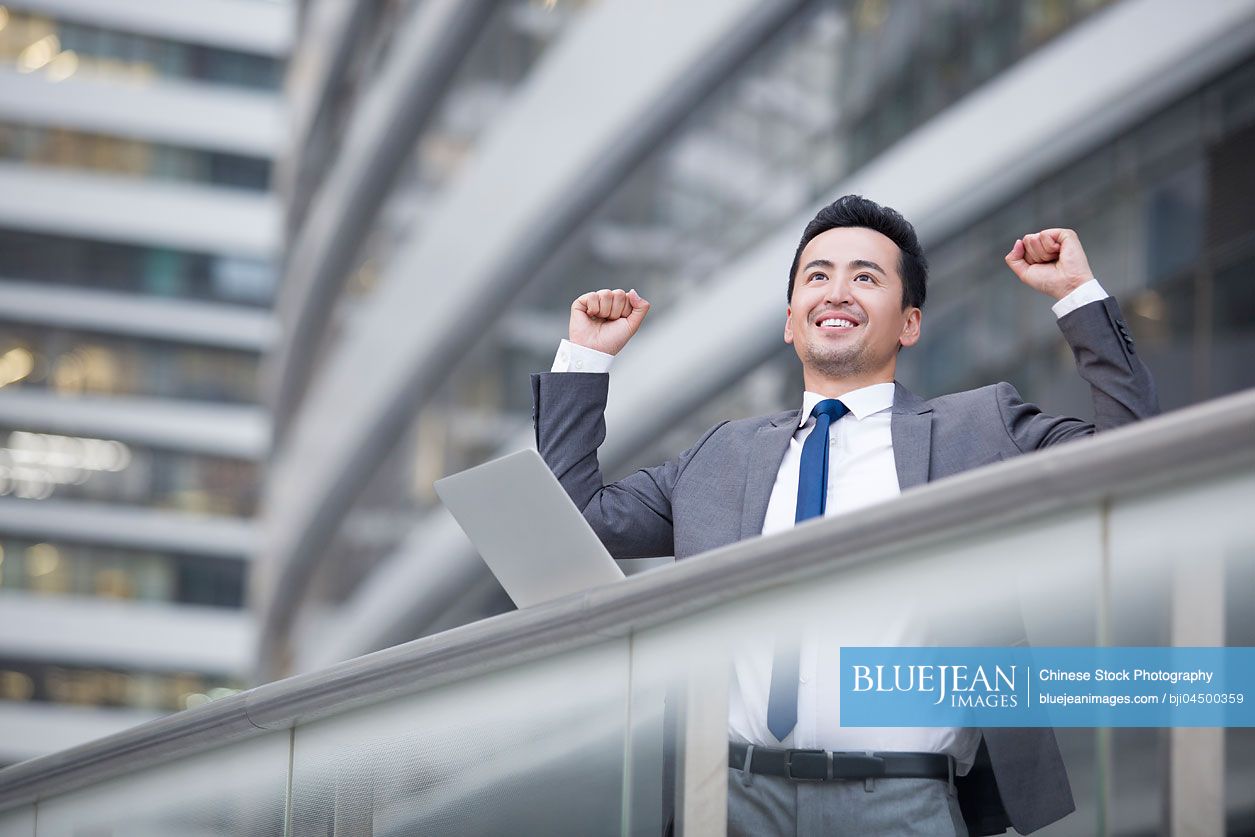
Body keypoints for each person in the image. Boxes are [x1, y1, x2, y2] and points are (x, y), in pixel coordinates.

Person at [530, 195, 1159, 835]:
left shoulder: (979, 427)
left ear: (909, 324)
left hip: (901, 799)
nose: (837, 292)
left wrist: (1077, 295)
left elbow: (1130, 454)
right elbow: (570, 518)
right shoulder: (721, 455)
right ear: (790, 320)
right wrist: (587, 357)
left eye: (865, 277)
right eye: (817, 276)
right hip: (729, 798)